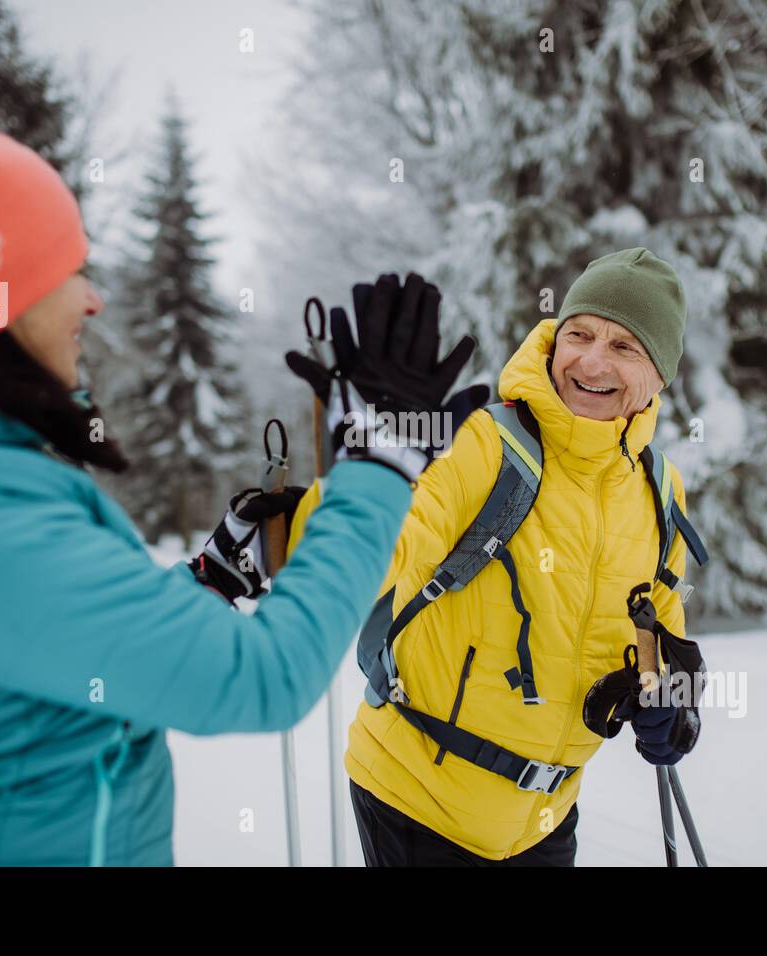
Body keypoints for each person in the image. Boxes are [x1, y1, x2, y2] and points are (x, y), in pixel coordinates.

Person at [0, 117, 480, 866]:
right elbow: (265, 678)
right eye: (65, 270)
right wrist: (379, 463)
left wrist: (210, 582)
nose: (93, 299)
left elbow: (64, 654)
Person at [288, 249, 708, 866]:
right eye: (580, 334)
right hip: (418, 800)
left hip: (544, 821)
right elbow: (381, 546)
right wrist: (361, 476)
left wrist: (675, 699)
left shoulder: (658, 487)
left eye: (625, 347)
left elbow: (660, 622)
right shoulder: (484, 443)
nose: (592, 360)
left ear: (660, 375)